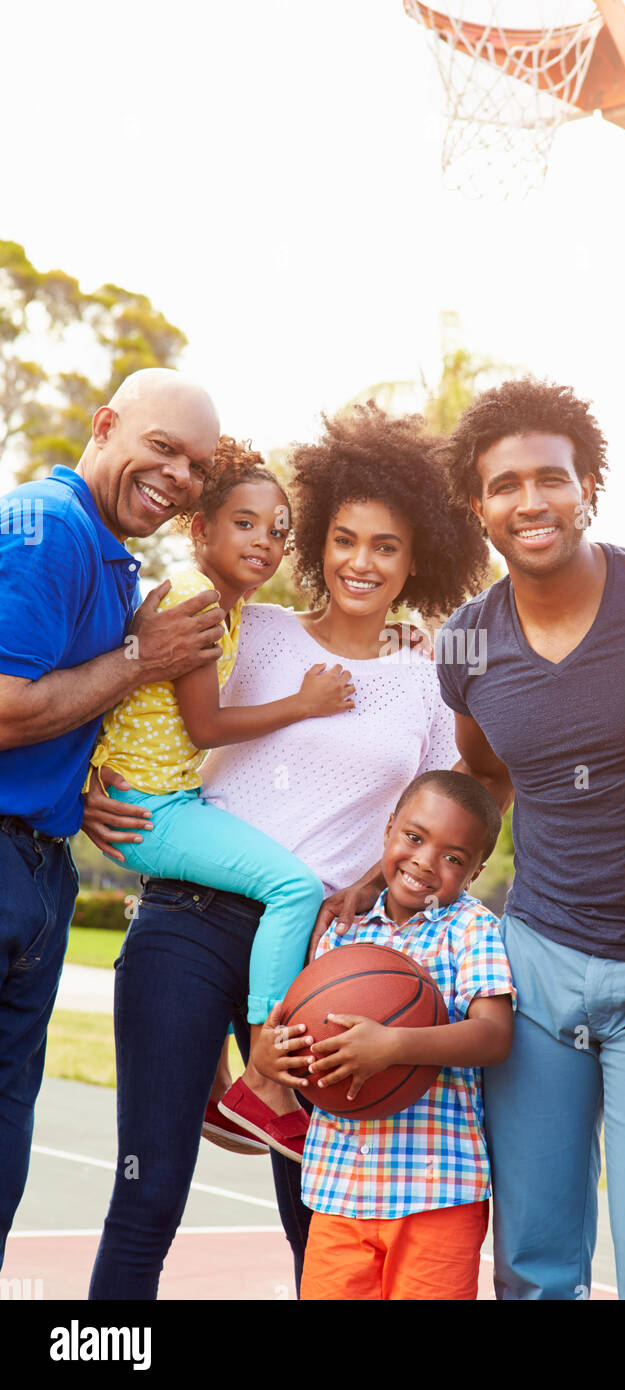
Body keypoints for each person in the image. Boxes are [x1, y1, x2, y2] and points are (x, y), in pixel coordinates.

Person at [82, 405, 489, 1298]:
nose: (361, 563)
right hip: (188, 928)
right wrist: (88, 782)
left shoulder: (427, 675)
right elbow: (140, 707)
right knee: (148, 1194)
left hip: (322, 958)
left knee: (314, 1202)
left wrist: (375, 880)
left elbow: (448, 820)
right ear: (316, 540)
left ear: (416, 560)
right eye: (343, 539)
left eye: (386, 547)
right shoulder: (247, 626)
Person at [434, 377, 625, 1300]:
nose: (532, 501)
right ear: (477, 505)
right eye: (506, 483)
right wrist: (415, 872)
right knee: (533, 1261)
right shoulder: (465, 645)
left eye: (551, 478)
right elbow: (484, 773)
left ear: (589, 485)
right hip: (535, 968)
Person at [0, 368, 223, 1266]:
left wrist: (83, 784)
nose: (177, 476)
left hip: (41, 869)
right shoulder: (47, 528)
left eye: (197, 465)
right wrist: (139, 657)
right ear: (104, 426)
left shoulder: (104, 550)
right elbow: (8, 706)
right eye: (161, 448)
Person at [86, 436, 350, 1159]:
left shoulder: (231, 610)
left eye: (279, 530)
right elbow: (206, 726)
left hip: (172, 800)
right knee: (293, 887)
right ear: (200, 528)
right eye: (245, 523)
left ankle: (214, 1086)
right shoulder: (198, 607)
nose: (265, 541)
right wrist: (305, 703)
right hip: (150, 810)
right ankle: (268, 1078)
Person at [253, 770, 514, 1301]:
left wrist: (394, 1046)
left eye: (453, 857)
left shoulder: (470, 928)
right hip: (338, 1189)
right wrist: (269, 1054)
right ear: (389, 828)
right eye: (414, 838)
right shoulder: (341, 935)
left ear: (476, 871)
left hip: (437, 1190)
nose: (424, 862)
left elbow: (494, 1035)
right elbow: (299, 1030)